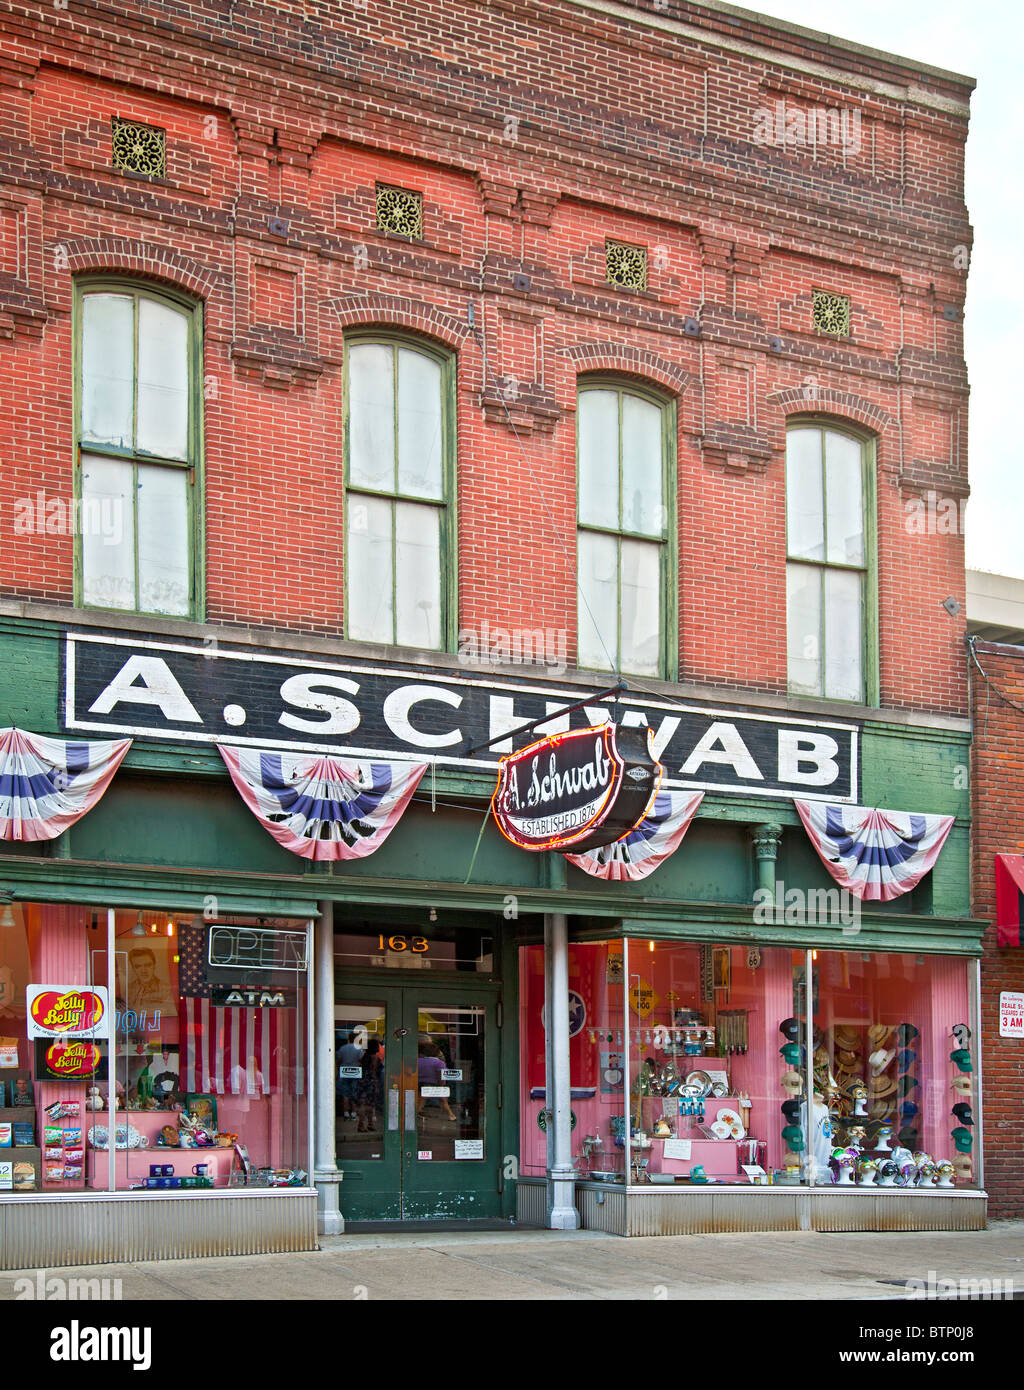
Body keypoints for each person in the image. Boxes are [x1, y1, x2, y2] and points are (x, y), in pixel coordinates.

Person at [416, 1042, 455, 1123]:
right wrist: (442, 1085)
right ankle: (451, 1114)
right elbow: (442, 1075)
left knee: (420, 1099)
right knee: (443, 1100)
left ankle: (417, 1112)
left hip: (419, 1084)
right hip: (433, 1085)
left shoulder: (417, 1061)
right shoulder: (439, 1063)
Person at [355, 1039, 383, 1134]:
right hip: (371, 1083)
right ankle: (364, 1124)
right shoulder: (375, 1058)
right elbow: (375, 1072)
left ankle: (365, 1124)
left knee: (363, 1104)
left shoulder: (364, 1057)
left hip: (362, 1082)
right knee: (370, 1104)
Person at [337, 1031, 364, 1121]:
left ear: (349, 1039)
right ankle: (353, 1113)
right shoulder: (359, 1048)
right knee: (354, 1093)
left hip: (344, 1071)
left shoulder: (343, 1048)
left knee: (345, 1094)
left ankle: (346, 1113)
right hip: (356, 1072)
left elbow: (339, 1060)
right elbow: (361, 1061)